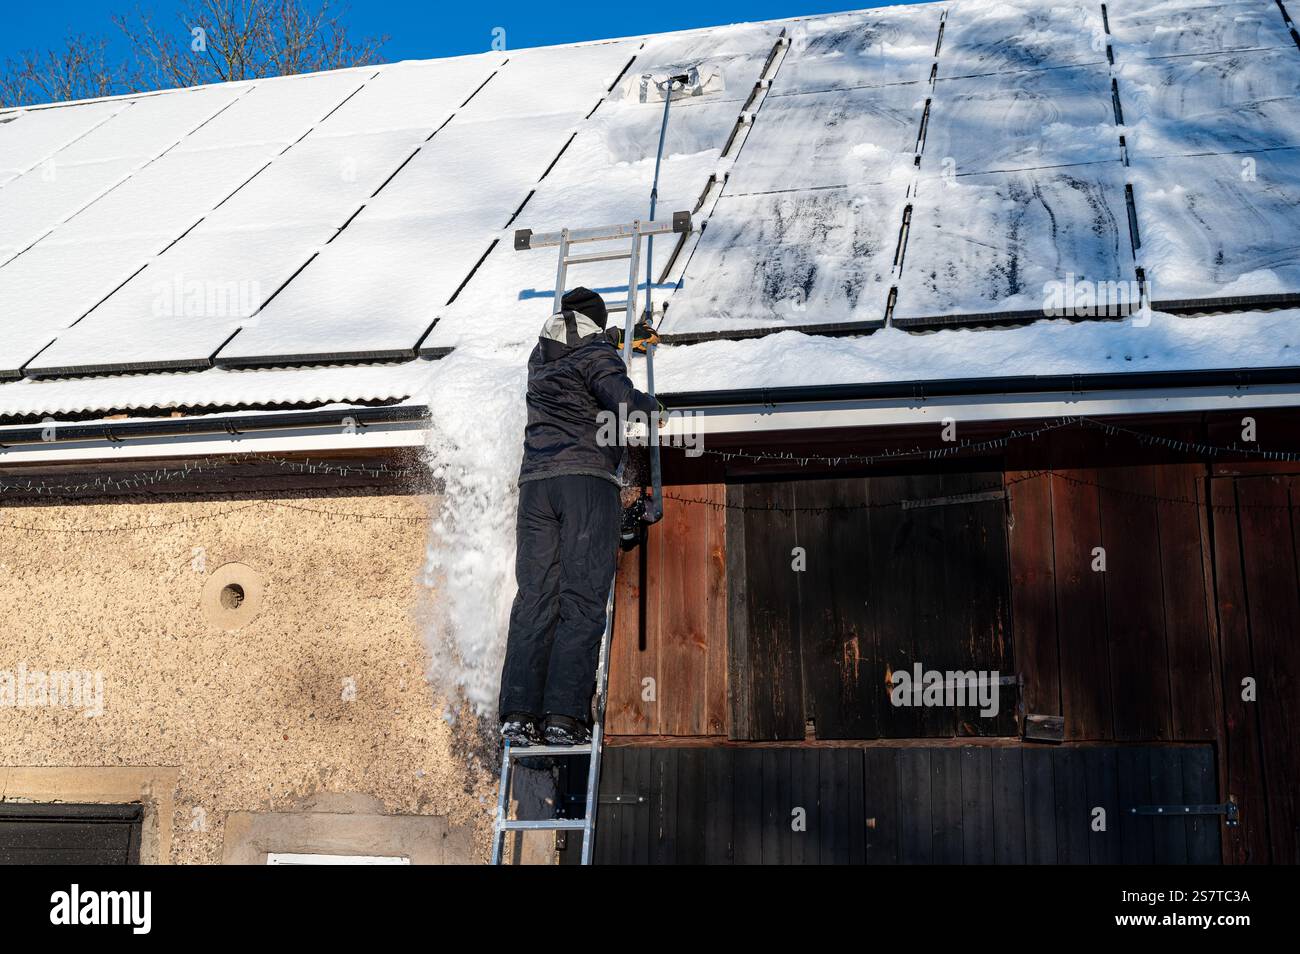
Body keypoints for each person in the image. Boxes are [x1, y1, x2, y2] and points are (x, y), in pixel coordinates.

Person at [498, 287, 659, 746]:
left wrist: (611, 339)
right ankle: (563, 718)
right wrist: (654, 406)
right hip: (585, 482)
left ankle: (518, 715)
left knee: (534, 599)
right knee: (583, 600)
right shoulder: (595, 354)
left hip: (535, 488)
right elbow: (624, 404)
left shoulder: (540, 357)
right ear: (596, 323)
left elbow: (578, 353)